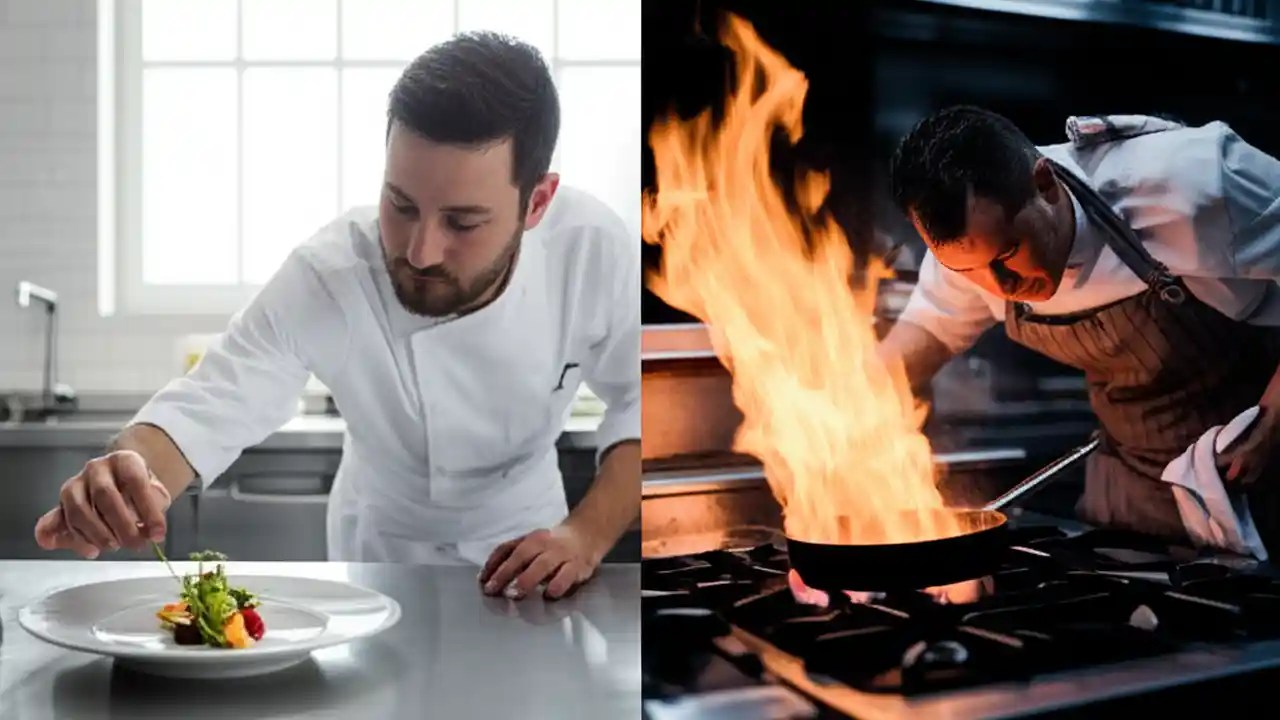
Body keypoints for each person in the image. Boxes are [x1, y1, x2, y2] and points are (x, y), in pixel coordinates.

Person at [32, 32, 640, 601]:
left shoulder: (592, 252)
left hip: (530, 546)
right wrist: (128, 468)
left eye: (462, 222)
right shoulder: (329, 274)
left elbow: (642, 402)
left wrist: (585, 536)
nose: (419, 250)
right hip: (380, 549)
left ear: (536, 202)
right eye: (400, 205)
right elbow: (213, 400)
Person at [883, 105, 1280, 547]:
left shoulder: (1197, 182)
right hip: (1130, 497)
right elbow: (922, 336)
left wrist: (1273, 422)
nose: (1000, 286)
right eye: (969, 270)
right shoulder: (966, 257)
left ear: (1044, 185)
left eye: (1007, 253)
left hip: (1257, 479)